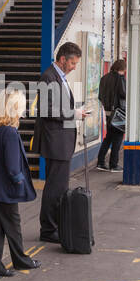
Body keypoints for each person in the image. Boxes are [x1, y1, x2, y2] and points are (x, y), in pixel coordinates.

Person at [32, 40, 89, 243]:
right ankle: (48, 230)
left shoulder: (59, 77)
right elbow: (48, 110)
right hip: (55, 142)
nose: (74, 67)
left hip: (61, 141)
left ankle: (54, 225)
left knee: (59, 186)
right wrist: (75, 113)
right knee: (55, 188)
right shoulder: (48, 77)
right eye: (73, 63)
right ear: (63, 59)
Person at [0, 89, 42, 277]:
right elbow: (12, 165)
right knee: (13, 225)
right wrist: (19, 180)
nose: (24, 112)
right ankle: (21, 261)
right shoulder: (9, 132)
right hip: (5, 189)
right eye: (22, 107)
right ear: (14, 108)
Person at [96, 58, 126, 172]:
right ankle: (113, 164)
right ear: (122, 69)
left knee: (108, 138)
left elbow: (100, 96)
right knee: (118, 138)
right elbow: (124, 93)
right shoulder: (120, 78)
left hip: (107, 112)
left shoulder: (104, 78)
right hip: (118, 112)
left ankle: (101, 162)